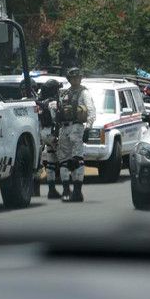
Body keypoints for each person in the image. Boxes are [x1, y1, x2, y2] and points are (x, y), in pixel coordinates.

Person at [55, 68, 95, 202]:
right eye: (73, 78)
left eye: (78, 77)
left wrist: (88, 129)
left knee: (77, 160)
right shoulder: (65, 93)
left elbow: (91, 111)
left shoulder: (84, 93)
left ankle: (77, 191)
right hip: (64, 129)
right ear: (69, 79)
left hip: (77, 128)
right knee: (64, 161)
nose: (75, 80)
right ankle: (66, 190)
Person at [36, 79, 62, 199]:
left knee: (49, 162)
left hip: (41, 134)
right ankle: (67, 189)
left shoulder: (38, 102)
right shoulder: (52, 102)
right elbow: (55, 119)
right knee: (65, 160)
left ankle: (49, 189)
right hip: (52, 133)